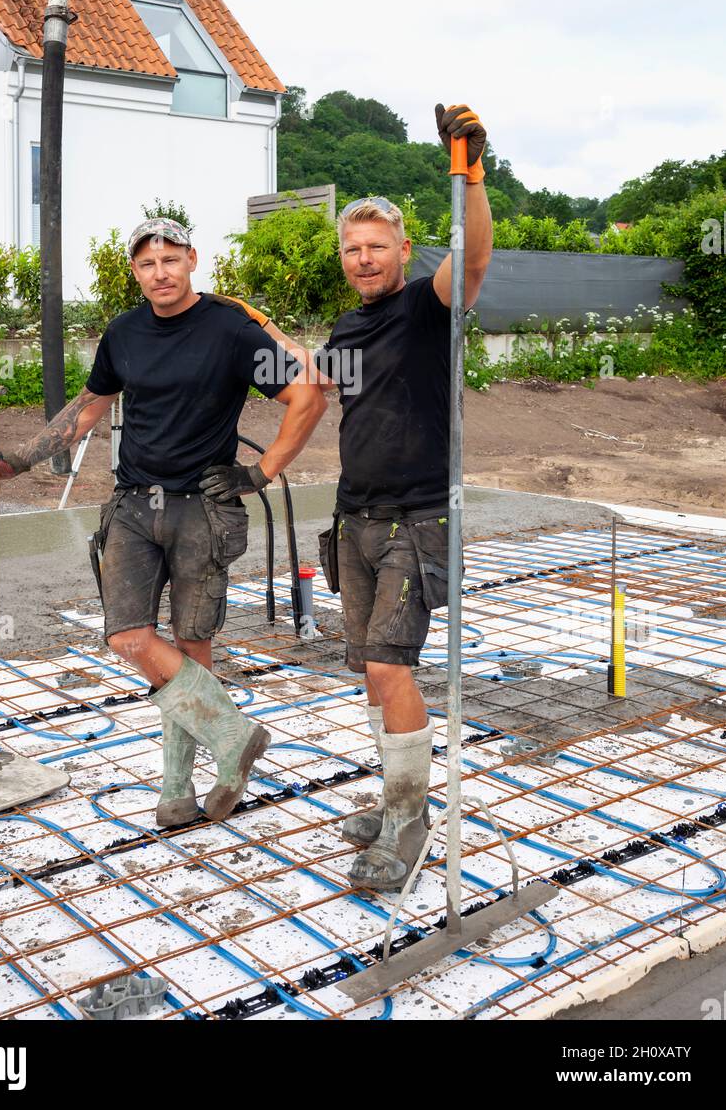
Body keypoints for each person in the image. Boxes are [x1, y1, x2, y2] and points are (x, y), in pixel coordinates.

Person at [0, 216, 327, 825]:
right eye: (146, 264)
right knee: (129, 637)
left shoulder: (231, 330)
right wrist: (21, 459)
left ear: (192, 258)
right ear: (134, 272)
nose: (159, 273)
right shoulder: (124, 332)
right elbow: (89, 408)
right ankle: (234, 736)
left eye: (169, 260)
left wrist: (261, 472)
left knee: (192, 644)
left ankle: (178, 788)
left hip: (202, 510)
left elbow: (308, 395)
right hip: (134, 506)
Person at [312, 104, 494, 890]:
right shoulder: (350, 326)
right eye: (351, 249)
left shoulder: (429, 305)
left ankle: (413, 821)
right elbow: (306, 388)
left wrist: (472, 174)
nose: (362, 258)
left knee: (390, 667)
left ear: (404, 249)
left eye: (375, 246)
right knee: (371, 670)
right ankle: (396, 799)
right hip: (355, 518)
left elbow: (476, 261)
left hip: (416, 520)